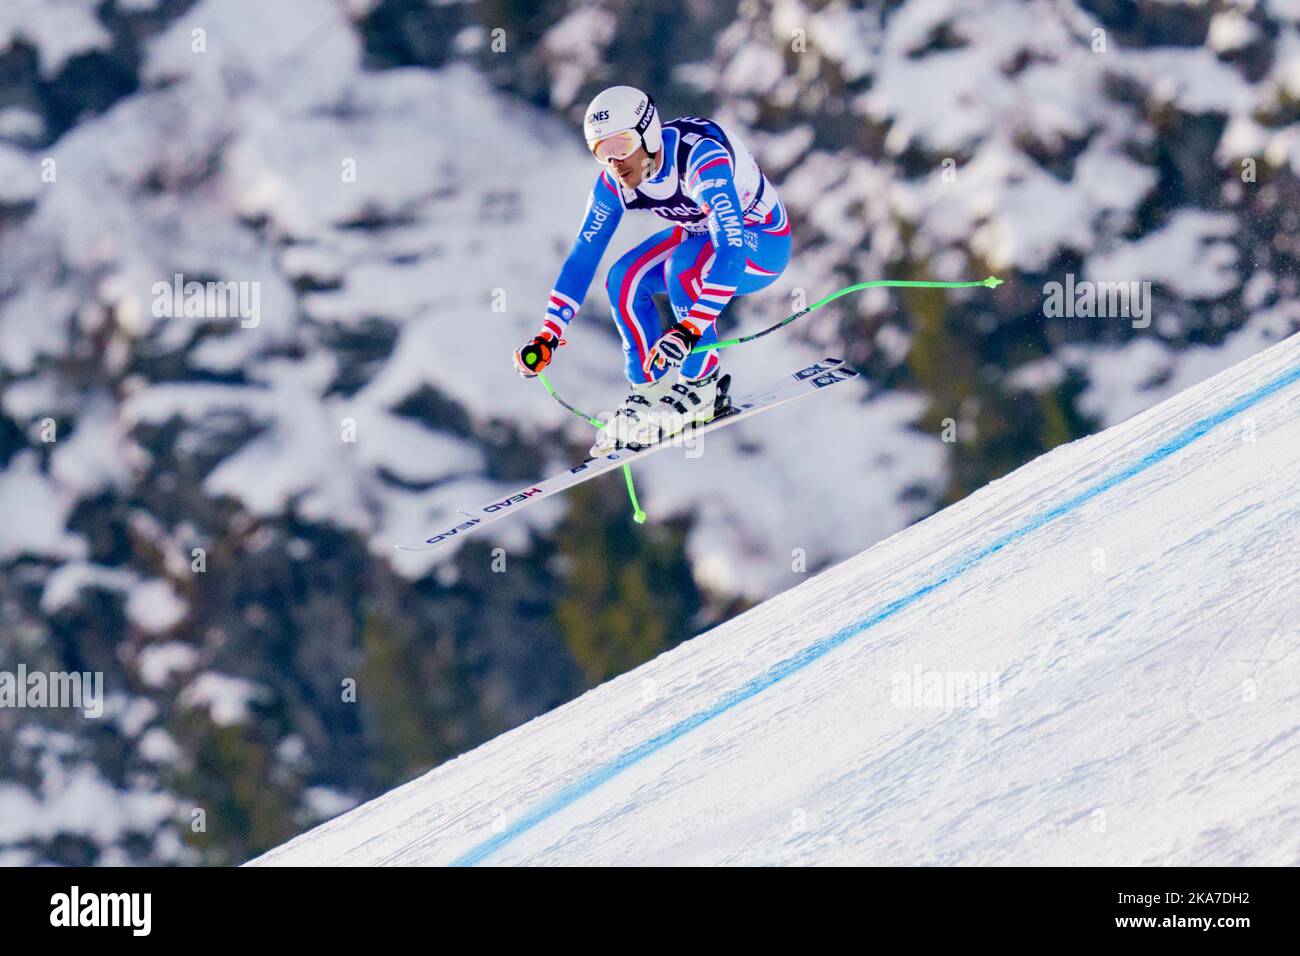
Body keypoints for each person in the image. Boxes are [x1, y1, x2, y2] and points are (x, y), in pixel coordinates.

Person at [513, 85, 791, 457]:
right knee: (623, 279)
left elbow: (731, 250)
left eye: (621, 146)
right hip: (698, 236)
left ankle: (701, 386)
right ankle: (648, 394)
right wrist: (549, 334)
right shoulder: (615, 183)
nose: (614, 161)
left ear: (649, 133)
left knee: (683, 267)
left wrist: (689, 330)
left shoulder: (700, 159)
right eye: (601, 151)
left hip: (760, 241)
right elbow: (583, 258)